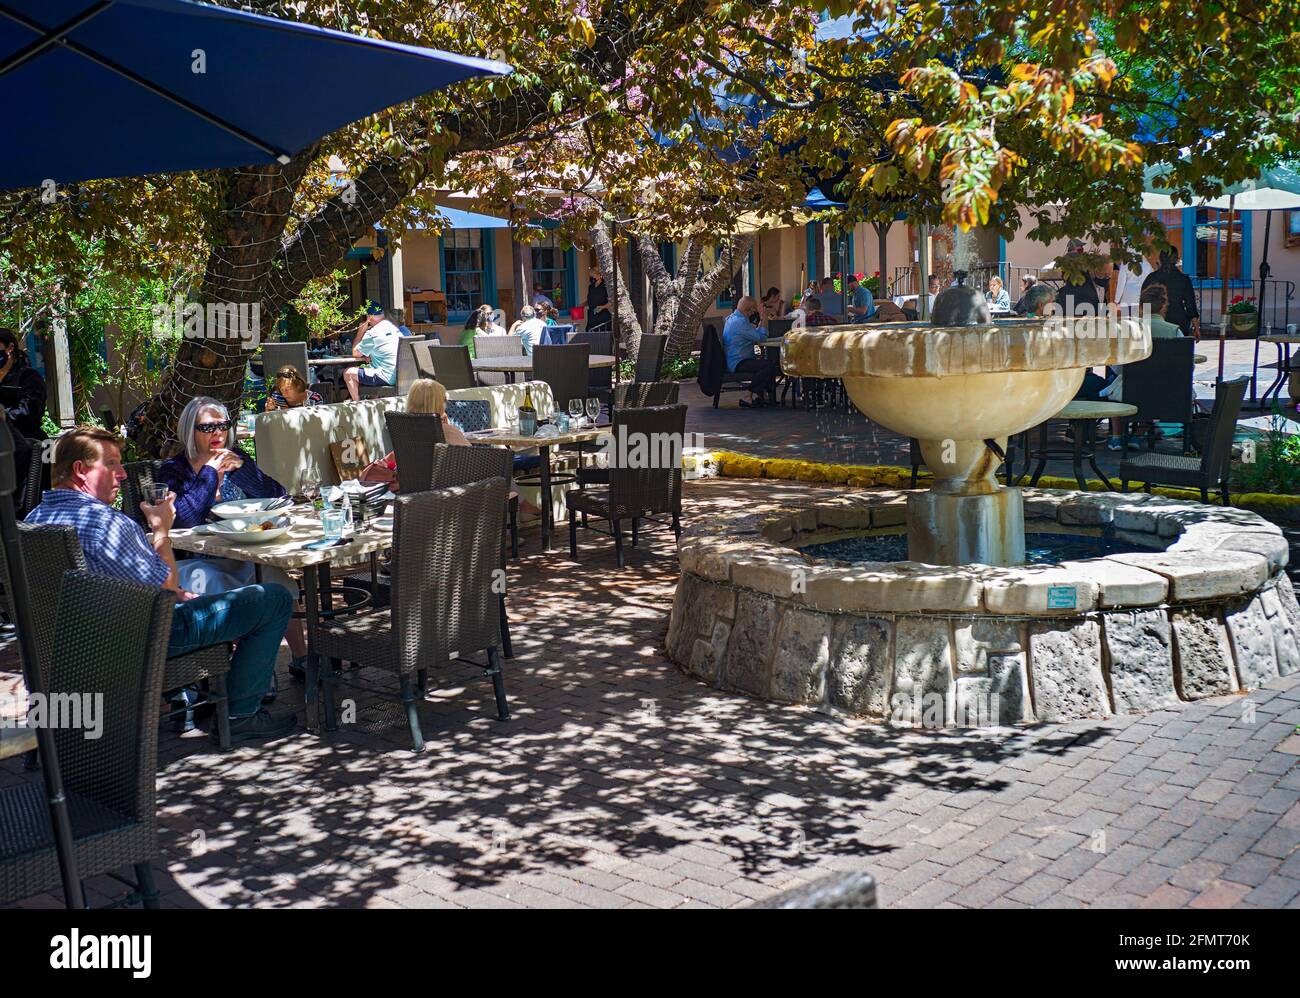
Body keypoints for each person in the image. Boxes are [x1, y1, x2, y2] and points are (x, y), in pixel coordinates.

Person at [25, 426, 297, 743]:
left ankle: (206, 696)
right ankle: (241, 714)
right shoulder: (108, 524)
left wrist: (178, 592)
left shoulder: (32, 520)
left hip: (66, 651)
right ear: (80, 470)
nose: (123, 474)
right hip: (138, 644)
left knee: (207, 593)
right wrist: (161, 530)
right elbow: (166, 590)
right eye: (112, 464)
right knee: (273, 599)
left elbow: (113, 582)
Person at [158, 396, 309, 677]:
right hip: (194, 559)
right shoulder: (174, 470)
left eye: (223, 425)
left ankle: (301, 659)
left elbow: (278, 496)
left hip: (241, 551)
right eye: (207, 427)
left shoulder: (235, 458)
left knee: (275, 575)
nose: (217, 433)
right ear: (190, 430)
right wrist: (210, 474)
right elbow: (186, 519)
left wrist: (243, 470)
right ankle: (249, 673)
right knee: (218, 584)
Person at [1099, 284, 1184, 449]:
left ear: (1141, 307)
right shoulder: (1175, 332)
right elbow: (1184, 369)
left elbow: (1117, 367)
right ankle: (1138, 435)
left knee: (1115, 382)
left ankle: (1116, 436)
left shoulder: (1128, 330)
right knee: (1154, 386)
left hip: (1132, 390)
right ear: (1164, 306)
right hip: (1166, 394)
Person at [360, 379, 470, 487]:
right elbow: (471, 462)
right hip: (444, 495)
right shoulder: (447, 431)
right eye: (444, 399)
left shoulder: (403, 429)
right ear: (439, 404)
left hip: (410, 493)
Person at [0, 327, 47, 492]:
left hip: (29, 448)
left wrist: (4, 415)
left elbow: (30, 410)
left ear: (10, 349)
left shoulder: (29, 377)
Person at [722, 295, 776, 408]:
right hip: (738, 362)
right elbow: (762, 338)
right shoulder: (740, 323)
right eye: (753, 310)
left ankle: (761, 397)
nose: (753, 313)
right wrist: (765, 317)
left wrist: (761, 320)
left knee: (766, 363)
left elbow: (755, 334)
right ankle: (748, 395)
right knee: (769, 365)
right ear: (748, 310)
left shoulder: (732, 318)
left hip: (733, 360)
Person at [343, 305, 400, 400]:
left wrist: (360, 331)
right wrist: (369, 354)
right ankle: (373, 402)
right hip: (399, 375)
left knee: (348, 373)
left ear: (369, 317)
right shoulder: (394, 328)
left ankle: (358, 405)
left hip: (386, 376)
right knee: (368, 369)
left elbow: (355, 353)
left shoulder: (373, 333)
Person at [1142, 247, 1200, 340]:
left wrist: (1145, 321)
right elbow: (1191, 305)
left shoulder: (1151, 278)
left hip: (1155, 321)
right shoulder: (1183, 279)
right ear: (1177, 260)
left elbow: (1144, 301)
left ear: (1160, 259)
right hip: (1178, 321)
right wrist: (1196, 327)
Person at [1055, 239, 1104, 317]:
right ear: (1075, 247)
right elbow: (1093, 274)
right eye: (1081, 247)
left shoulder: (1063, 260)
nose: (1082, 248)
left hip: (1070, 295)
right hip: (1087, 295)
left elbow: (1064, 277)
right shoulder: (1085, 258)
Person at [1112, 252, 1156, 318]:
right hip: (1142, 299)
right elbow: (1152, 281)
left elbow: (1121, 284)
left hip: (1128, 299)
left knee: (1127, 325)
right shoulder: (1147, 265)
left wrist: (1116, 301)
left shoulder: (1125, 264)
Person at [585, 266, 611, 332]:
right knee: (589, 333)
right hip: (592, 316)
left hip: (603, 316)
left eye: (594, 275)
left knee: (602, 335)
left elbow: (611, 302)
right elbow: (591, 300)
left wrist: (602, 307)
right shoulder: (591, 287)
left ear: (600, 275)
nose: (592, 277)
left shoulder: (605, 286)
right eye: (591, 275)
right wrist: (583, 304)